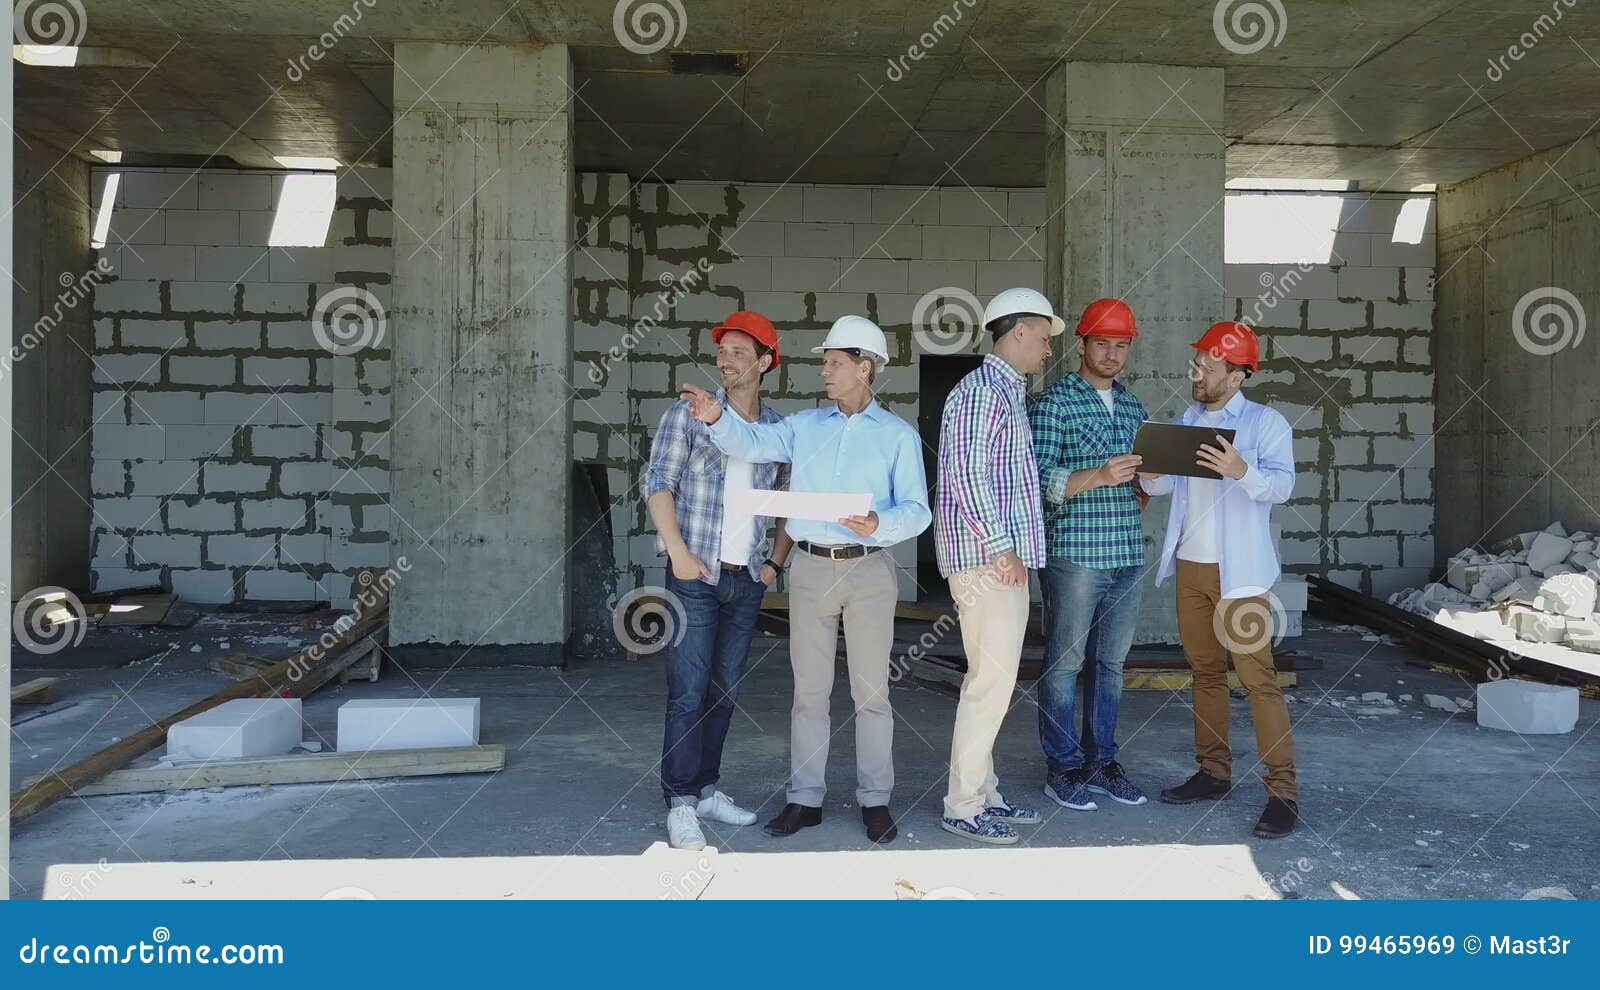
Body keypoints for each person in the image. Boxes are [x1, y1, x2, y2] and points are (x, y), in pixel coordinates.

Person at [679, 315, 931, 844]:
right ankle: (805, 799)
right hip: (812, 568)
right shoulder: (804, 427)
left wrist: (881, 524)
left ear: (866, 368)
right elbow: (750, 444)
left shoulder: (898, 437)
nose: (825, 371)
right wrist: (716, 417)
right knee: (809, 693)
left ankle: (875, 800)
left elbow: (918, 510)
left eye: (835, 362)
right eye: (825, 362)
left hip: (869, 567)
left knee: (872, 694)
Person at [1140, 321, 1300, 838]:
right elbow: (1168, 489)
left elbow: (1281, 488)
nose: (1196, 373)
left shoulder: (1264, 424)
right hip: (1192, 567)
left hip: (1242, 579)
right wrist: (1150, 472)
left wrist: (1240, 468)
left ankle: (1283, 793)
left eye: (1207, 367)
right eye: (1197, 364)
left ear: (1236, 375)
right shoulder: (1188, 419)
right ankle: (1213, 773)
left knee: (1258, 680)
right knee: (1205, 674)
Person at [645, 311, 793, 851]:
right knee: (687, 692)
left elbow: (786, 508)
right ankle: (680, 801)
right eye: (722, 350)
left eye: (738, 351)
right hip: (695, 574)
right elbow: (657, 484)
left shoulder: (775, 430)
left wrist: (774, 564)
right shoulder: (686, 416)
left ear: (764, 362)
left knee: (724, 690)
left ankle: (707, 787)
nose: (725, 359)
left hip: (747, 578)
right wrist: (679, 554)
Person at [933, 287, 1064, 844]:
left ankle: (983, 793)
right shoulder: (983, 392)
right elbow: (967, 476)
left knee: (991, 683)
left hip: (998, 559)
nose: (1048, 350)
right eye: (1042, 337)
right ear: (1016, 333)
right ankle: (962, 805)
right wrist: (1001, 545)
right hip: (989, 562)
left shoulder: (1003, 392)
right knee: (989, 684)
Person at [1029, 297, 1152, 812]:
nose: (1112, 354)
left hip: (1126, 549)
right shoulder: (1053, 403)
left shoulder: (1133, 407)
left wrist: (1148, 484)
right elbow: (1035, 482)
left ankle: (1102, 761)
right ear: (1081, 344)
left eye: (1121, 345)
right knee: (1064, 663)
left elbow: (1141, 488)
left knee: (1112, 664)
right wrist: (1099, 475)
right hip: (1076, 553)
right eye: (1102, 343)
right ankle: (1064, 766)